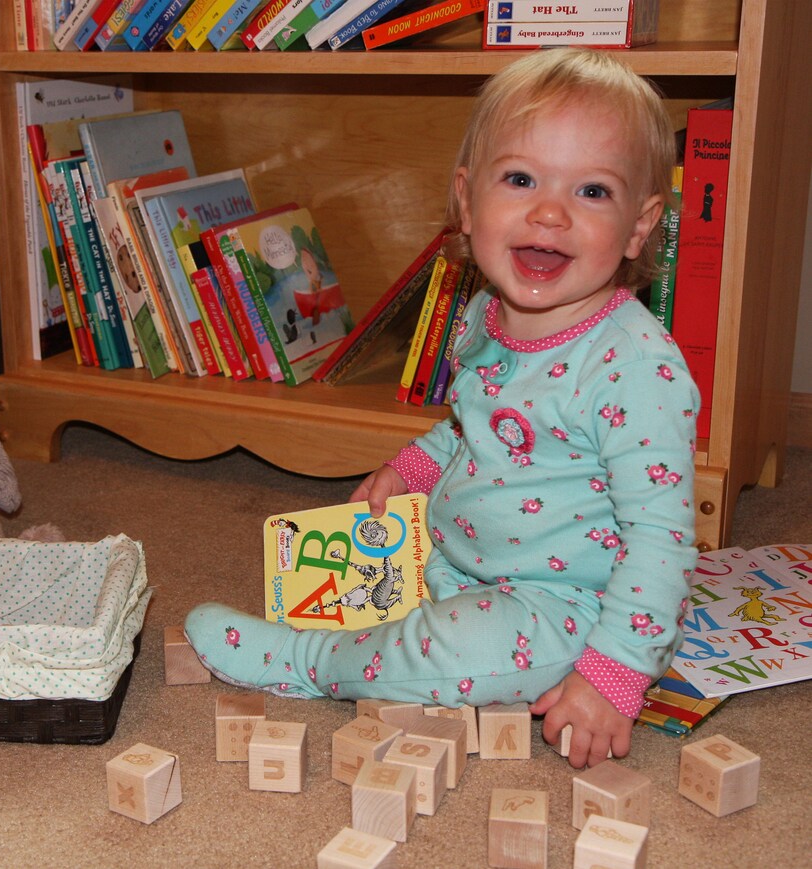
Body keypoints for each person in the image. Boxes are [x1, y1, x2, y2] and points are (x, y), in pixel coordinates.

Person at [184, 47, 700, 769]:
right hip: (466, 561)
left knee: (455, 649)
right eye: (520, 179)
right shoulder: (487, 312)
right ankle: (412, 616)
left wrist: (612, 677)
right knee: (376, 571)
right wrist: (414, 468)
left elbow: (661, 541)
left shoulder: (635, 369)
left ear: (640, 228)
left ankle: (311, 660)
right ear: (466, 199)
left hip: (572, 606)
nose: (549, 212)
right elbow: (471, 424)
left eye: (592, 191)